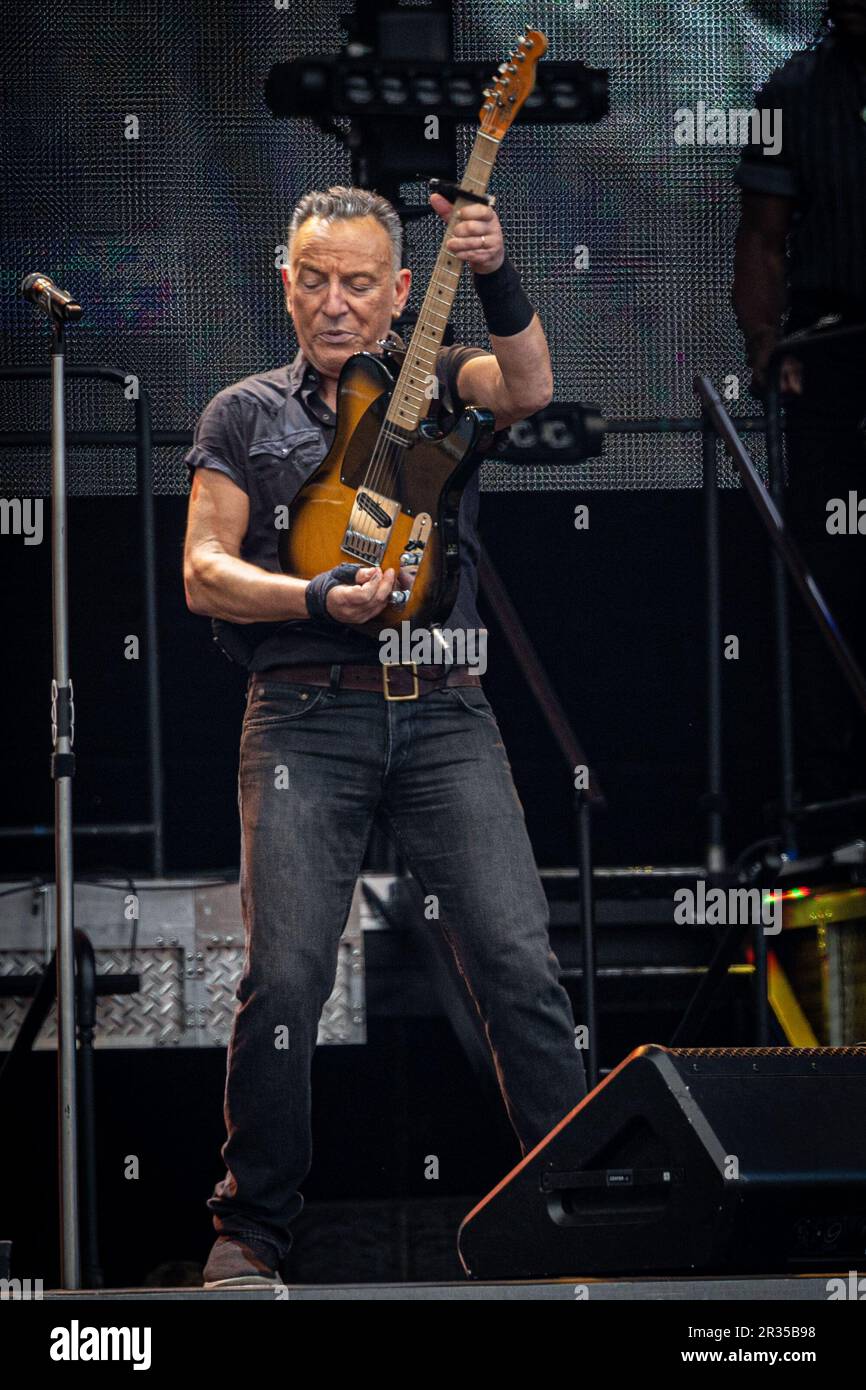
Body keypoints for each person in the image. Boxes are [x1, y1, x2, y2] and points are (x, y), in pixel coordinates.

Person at [183, 184, 588, 1288]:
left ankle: (578, 1213)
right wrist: (313, 600)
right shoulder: (242, 413)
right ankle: (250, 1231)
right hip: (303, 713)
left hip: (442, 703)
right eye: (312, 279)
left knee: (513, 958)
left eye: (358, 282)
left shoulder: (438, 384)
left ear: (399, 289)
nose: (333, 302)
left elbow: (531, 385)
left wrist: (497, 267)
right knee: (285, 973)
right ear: (284, 283)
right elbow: (203, 571)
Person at [732, 0, 866, 832]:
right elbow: (762, 238)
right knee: (835, 577)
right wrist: (764, 345)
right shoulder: (790, 95)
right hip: (836, 360)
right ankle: (835, 799)